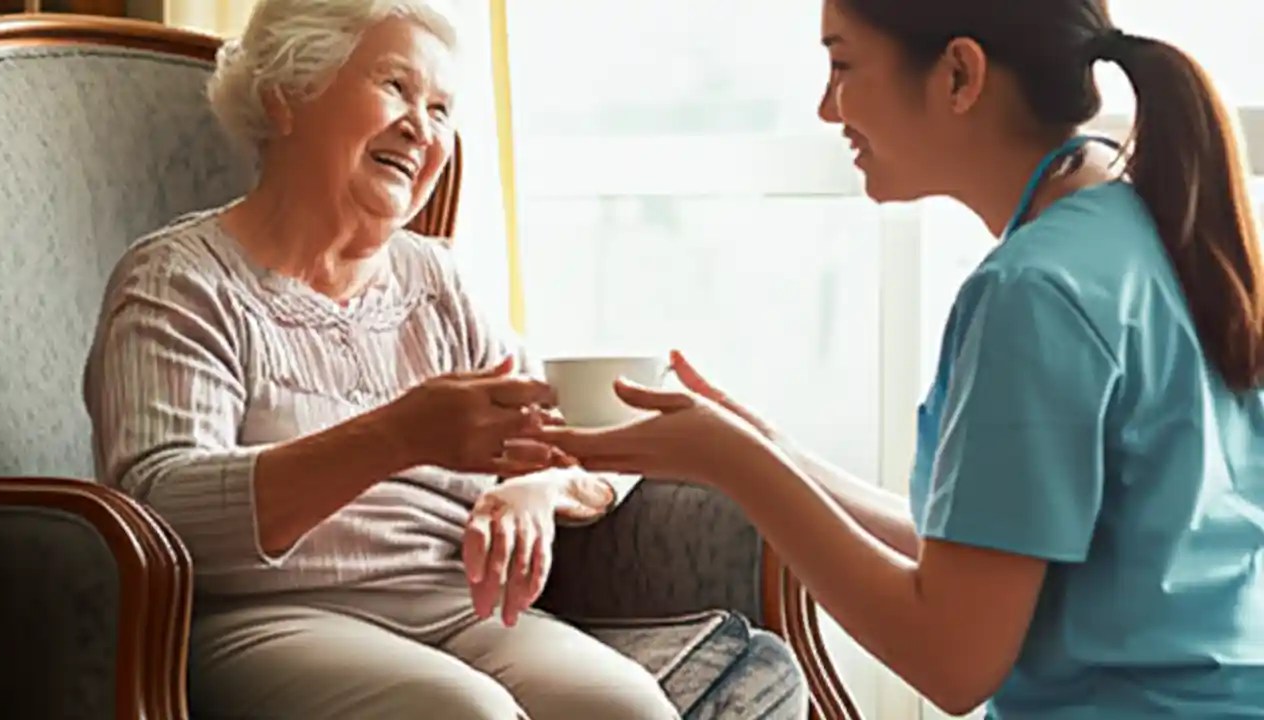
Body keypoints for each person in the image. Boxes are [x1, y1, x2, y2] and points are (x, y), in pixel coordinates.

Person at [535, 1, 1264, 718]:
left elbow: (951, 660)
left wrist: (736, 466)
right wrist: (770, 449)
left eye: (842, 63)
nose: (827, 108)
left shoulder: (1032, 292)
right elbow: (988, 563)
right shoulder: (1138, 232)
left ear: (958, 75)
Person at [81, 0, 684, 717]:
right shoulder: (180, 281)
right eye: (396, 87)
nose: (421, 127)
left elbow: (595, 434)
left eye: (440, 108)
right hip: (267, 616)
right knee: (465, 714)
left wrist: (540, 491)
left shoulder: (439, 280)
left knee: (628, 706)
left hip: (456, 605)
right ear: (287, 96)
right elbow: (162, 509)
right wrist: (395, 435)